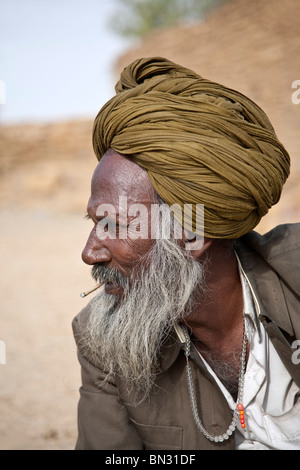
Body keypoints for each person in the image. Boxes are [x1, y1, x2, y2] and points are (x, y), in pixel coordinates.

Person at [72, 57, 300, 450]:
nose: (90, 253)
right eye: (94, 222)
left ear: (192, 234)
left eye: (116, 225)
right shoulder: (101, 341)